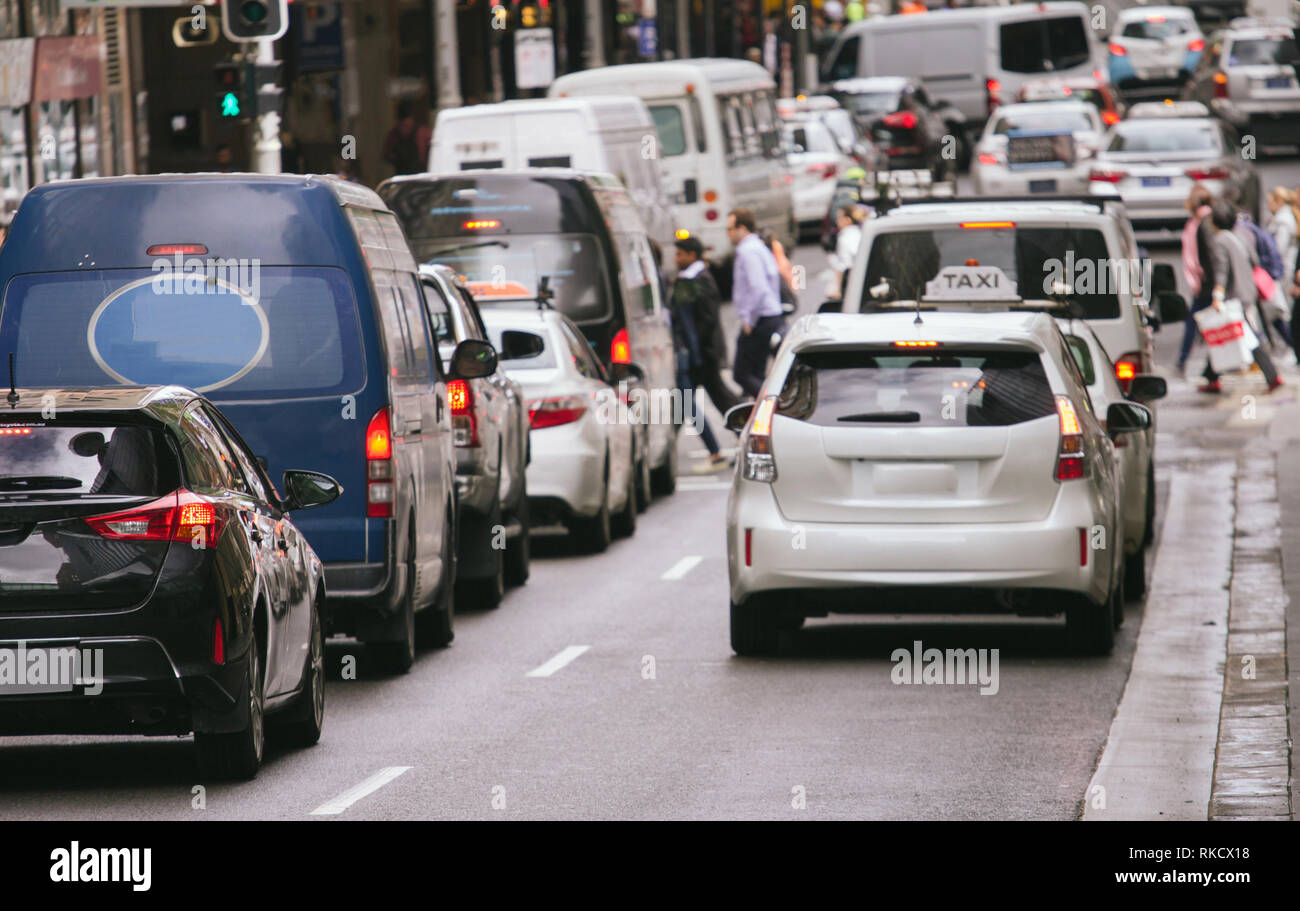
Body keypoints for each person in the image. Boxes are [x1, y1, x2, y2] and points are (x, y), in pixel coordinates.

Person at [1198, 200, 1283, 394]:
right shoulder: (1241, 235)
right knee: (1231, 332)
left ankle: (1272, 376)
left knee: (1244, 336)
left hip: (1234, 295)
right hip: (1248, 290)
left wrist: (1217, 295)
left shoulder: (1219, 240)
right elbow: (1254, 259)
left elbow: (1221, 270)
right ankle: (1211, 376)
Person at [670, 236, 736, 471]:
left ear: (691, 255)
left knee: (714, 401)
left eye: (679, 254)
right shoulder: (696, 278)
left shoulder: (694, 280)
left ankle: (726, 448)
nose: (676, 259)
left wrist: (695, 354)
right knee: (685, 403)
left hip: (701, 354)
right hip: (700, 353)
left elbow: (700, 322)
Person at [727, 208, 785, 398]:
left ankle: (773, 408)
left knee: (742, 374)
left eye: (730, 229)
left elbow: (758, 287)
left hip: (760, 318)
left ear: (742, 228)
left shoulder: (747, 251)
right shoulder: (758, 247)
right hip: (769, 315)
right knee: (757, 373)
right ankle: (763, 416)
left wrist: (748, 321)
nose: (728, 234)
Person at [1176, 185, 1214, 374]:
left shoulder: (1201, 223)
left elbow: (1199, 256)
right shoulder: (1203, 221)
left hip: (1206, 282)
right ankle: (1210, 369)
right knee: (1211, 323)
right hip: (1207, 281)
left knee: (1197, 321)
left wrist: (1198, 280)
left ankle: (1184, 360)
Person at [383, 100, 432, 176]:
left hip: (406, 178)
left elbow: (386, 154)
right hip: (419, 176)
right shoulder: (422, 132)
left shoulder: (394, 134)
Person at [830, 204, 865, 302]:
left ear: (847, 220)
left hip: (850, 281)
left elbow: (844, 265)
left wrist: (838, 288)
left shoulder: (844, 238)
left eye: (840, 218)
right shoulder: (860, 233)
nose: (837, 221)